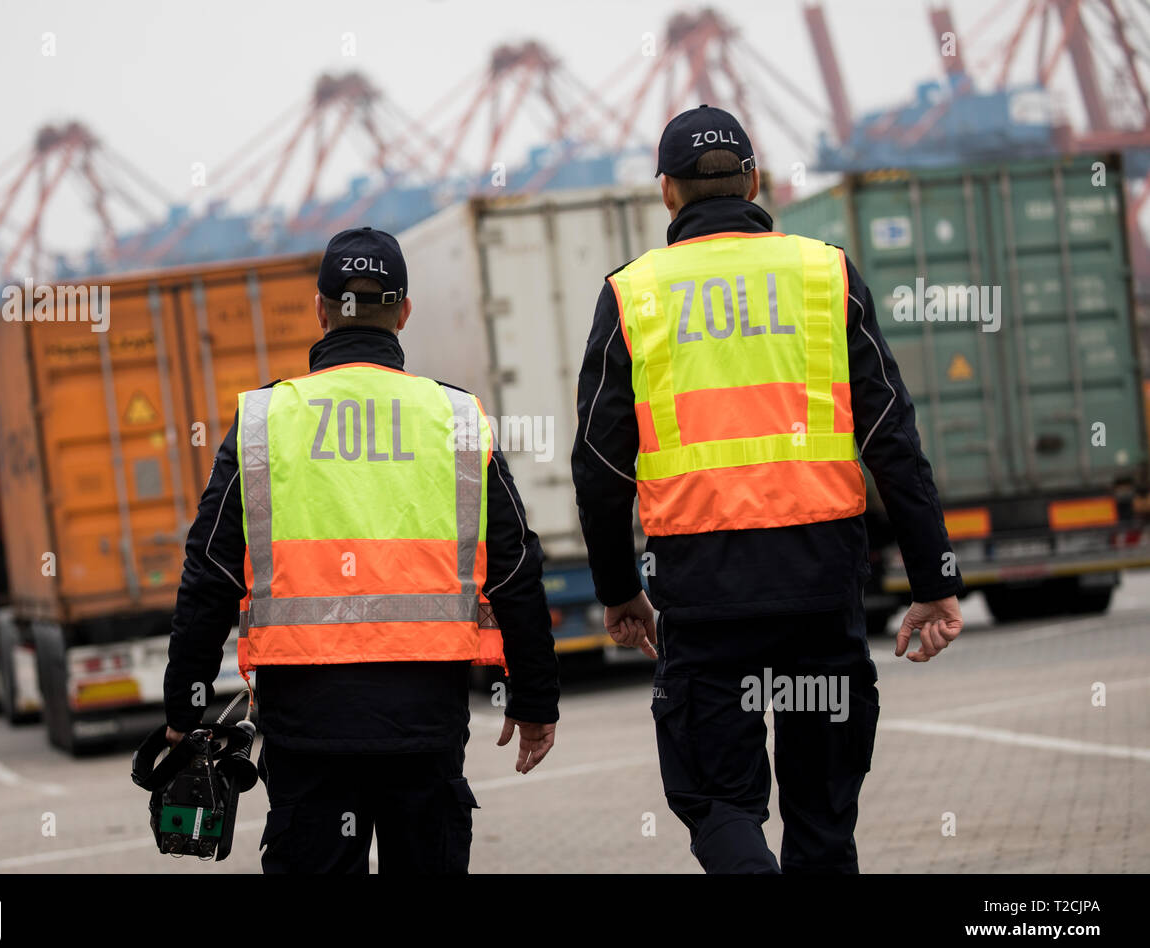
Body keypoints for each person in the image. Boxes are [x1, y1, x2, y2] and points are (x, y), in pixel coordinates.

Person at [571, 106, 964, 874]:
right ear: (755, 179)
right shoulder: (826, 274)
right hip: (819, 589)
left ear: (667, 194)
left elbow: (598, 464)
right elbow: (893, 439)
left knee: (721, 803)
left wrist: (620, 591)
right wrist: (933, 578)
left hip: (705, 599)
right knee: (821, 814)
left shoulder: (633, 295)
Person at [164, 226, 559, 874]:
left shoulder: (266, 422)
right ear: (403, 312)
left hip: (307, 726)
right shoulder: (455, 418)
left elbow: (207, 570)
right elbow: (516, 565)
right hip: (423, 726)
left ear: (320, 308)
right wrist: (534, 697)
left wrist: (186, 704)